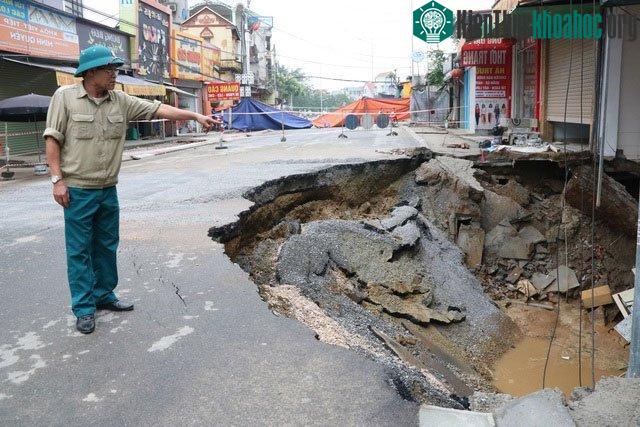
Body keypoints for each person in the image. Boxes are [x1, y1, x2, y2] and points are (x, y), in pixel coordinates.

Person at [43, 45, 216, 334]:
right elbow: (53, 139)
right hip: (78, 190)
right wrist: (56, 180)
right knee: (79, 251)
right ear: (90, 72)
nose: (114, 74)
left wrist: (195, 117)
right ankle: (84, 308)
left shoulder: (120, 100)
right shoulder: (65, 98)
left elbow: (158, 108)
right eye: (109, 69)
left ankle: (104, 295)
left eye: (115, 69)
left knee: (106, 246)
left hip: (108, 189)